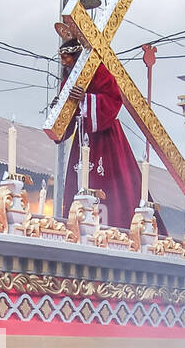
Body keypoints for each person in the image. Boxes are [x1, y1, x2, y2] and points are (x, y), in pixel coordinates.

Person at [53, 26, 152, 230]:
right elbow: (64, 126)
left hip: (105, 138)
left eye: (67, 56)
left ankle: (114, 229)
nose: (64, 62)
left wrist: (86, 100)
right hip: (82, 141)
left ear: (77, 54)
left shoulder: (99, 72)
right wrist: (58, 111)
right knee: (79, 189)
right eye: (62, 57)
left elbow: (114, 100)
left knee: (112, 189)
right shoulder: (67, 83)